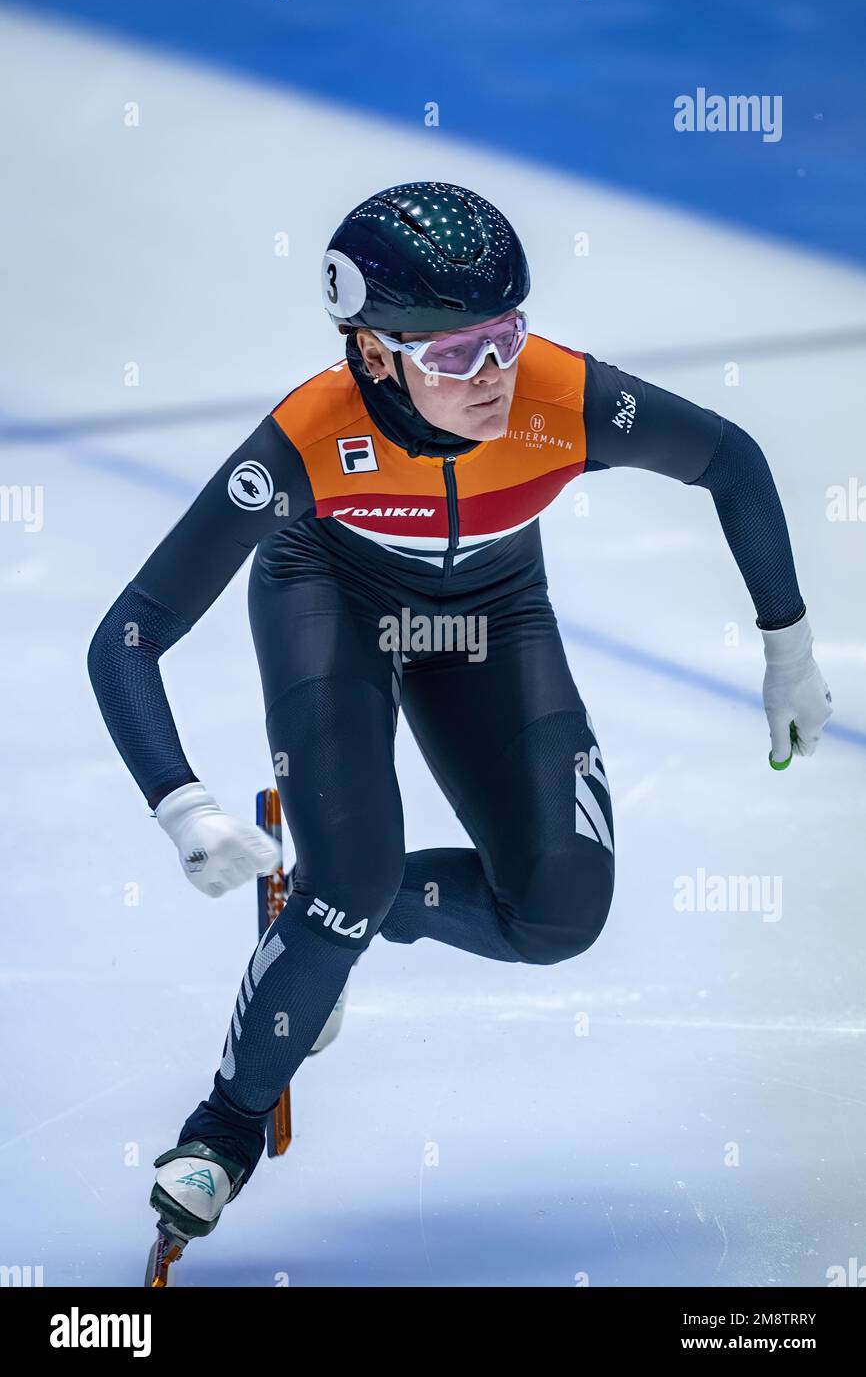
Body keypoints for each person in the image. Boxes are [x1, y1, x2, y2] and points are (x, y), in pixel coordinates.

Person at [87, 179, 832, 1261]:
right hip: (331, 602)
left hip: (489, 614)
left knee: (557, 915)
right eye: (451, 355)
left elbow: (730, 459)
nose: (491, 377)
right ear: (373, 352)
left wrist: (787, 651)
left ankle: (334, 919)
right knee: (351, 877)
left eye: (503, 337)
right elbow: (130, 632)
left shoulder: (560, 395)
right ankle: (226, 1124)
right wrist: (181, 805)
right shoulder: (307, 436)